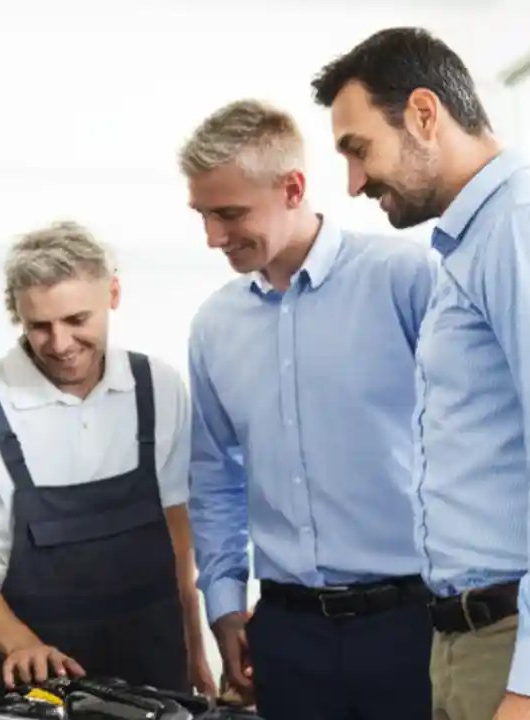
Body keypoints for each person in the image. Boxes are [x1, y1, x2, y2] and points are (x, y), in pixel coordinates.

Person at [310, 28, 530, 720]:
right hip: (478, 638)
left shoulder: (528, 229)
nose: (354, 182)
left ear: (424, 114)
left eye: (358, 150)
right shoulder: (473, 246)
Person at [180, 99, 440, 719]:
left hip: (414, 623)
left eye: (230, 213)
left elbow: (476, 438)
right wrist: (223, 606)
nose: (214, 237)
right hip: (287, 635)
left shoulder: (407, 279)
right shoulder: (215, 325)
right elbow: (216, 476)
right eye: (203, 215)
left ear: (293, 187)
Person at [0, 220, 214, 696]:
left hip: (157, 668)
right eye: (40, 326)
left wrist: (195, 651)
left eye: (77, 320)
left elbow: (178, 537)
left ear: (113, 294)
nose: (60, 344)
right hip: (40, 679)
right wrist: (23, 647)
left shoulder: (157, 387)